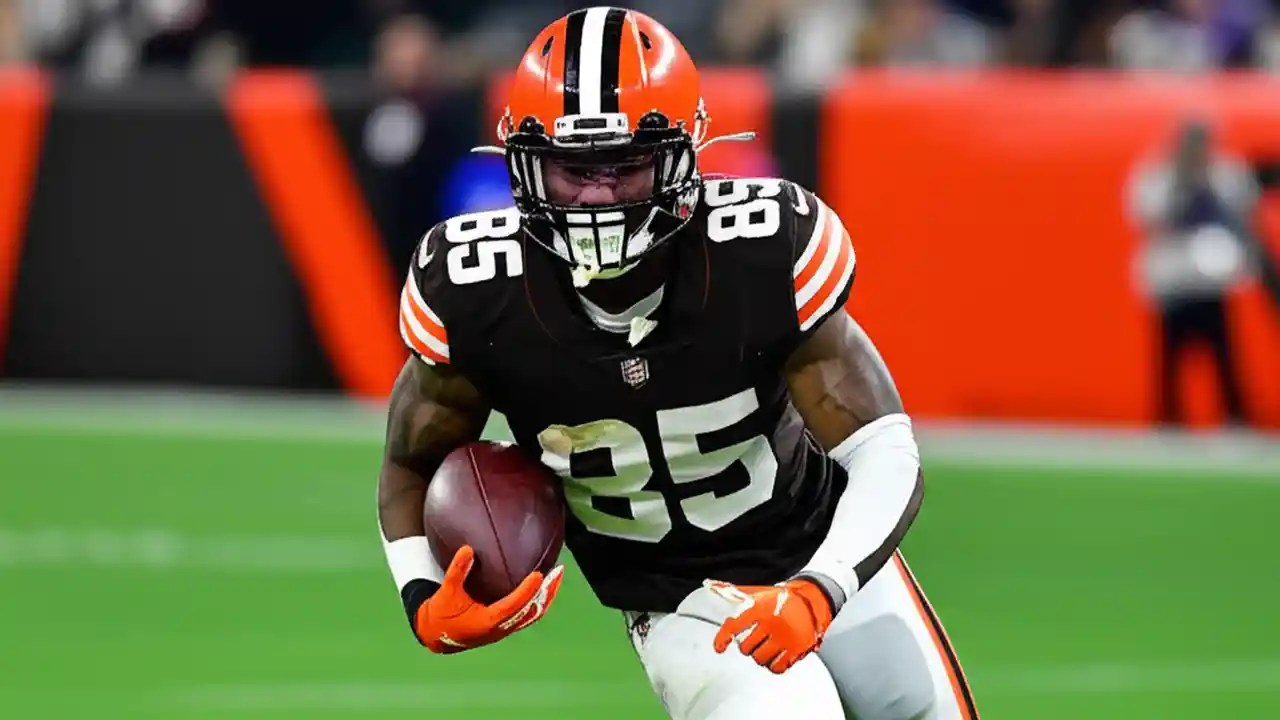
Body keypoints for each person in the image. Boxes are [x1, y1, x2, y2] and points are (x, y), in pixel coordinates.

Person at [377, 7, 977, 719]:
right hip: (673, 600)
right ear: (524, 166)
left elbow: (884, 446)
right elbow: (411, 463)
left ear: (682, 155)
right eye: (572, 171)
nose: (596, 197)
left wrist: (823, 585)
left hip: (823, 548)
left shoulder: (759, 249)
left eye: (624, 167)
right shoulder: (475, 289)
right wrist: (421, 593)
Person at [1130, 120, 1273, 426]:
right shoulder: (1159, 177)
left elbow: (1243, 209)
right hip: (1174, 281)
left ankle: (1235, 416)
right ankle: (1169, 417)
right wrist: (1182, 185)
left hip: (1210, 282)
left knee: (1224, 356)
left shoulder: (1223, 175)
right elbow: (1148, 216)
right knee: (1169, 358)